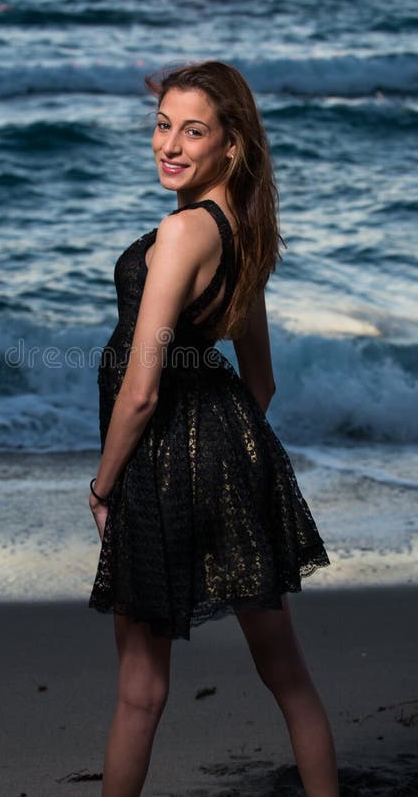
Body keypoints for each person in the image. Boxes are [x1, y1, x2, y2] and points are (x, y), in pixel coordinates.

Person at [87, 61, 339, 797]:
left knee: (140, 688)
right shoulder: (242, 230)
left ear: (230, 143)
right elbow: (259, 381)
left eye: (191, 131)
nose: (168, 144)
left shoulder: (181, 233)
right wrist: (225, 462)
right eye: (162, 124)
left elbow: (140, 391)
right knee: (286, 674)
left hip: (162, 464)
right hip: (230, 453)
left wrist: (103, 487)